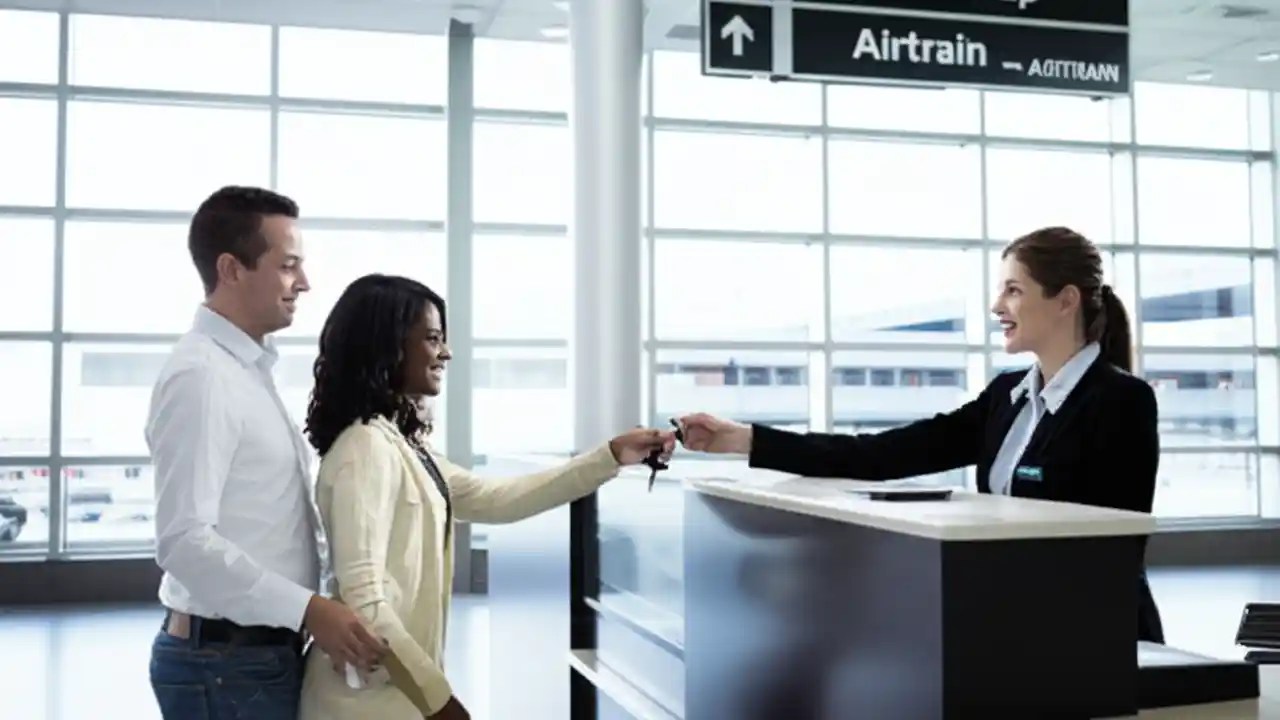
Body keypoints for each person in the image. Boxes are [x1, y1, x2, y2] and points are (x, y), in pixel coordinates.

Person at [677, 226, 1165, 644]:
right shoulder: (1004, 398)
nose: (998, 305)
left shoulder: (1121, 401)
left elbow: (1115, 548)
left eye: (1014, 290)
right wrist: (742, 439)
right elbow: (883, 455)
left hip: (1096, 638)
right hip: (1021, 628)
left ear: (1066, 301)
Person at [298, 273, 676, 720]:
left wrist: (611, 456)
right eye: (433, 338)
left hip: (395, 695)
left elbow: (499, 498)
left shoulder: (400, 445)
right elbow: (366, 601)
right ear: (388, 345)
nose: (446, 352)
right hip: (363, 702)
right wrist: (439, 701)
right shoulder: (364, 449)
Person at [146, 186, 388, 720]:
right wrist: (308, 608)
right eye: (288, 266)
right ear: (231, 269)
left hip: (252, 657)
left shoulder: (246, 371)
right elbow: (183, 541)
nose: (303, 283)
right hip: (224, 664)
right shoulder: (202, 377)